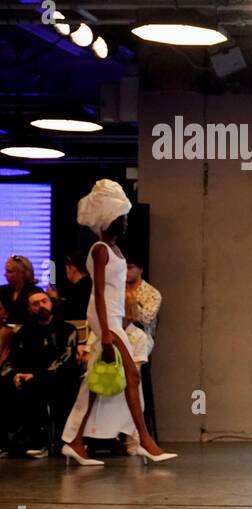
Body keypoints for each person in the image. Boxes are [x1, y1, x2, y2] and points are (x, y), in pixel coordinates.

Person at [61, 180, 176, 465]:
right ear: (111, 218)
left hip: (112, 318)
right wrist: (108, 335)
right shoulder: (100, 249)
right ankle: (144, 441)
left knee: (96, 382)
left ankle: (75, 441)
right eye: (122, 217)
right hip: (106, 319)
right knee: (131, 377)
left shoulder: (113, 248)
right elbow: (99, 293)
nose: (126, 222)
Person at [0, 290, 79, 457]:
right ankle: (11, 444)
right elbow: (11, 361)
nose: (41, 306)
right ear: (29, 309)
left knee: (38, 385)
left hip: (60, 378)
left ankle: (38, 441)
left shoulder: (67, 329)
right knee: (8, 385)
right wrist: (14, 374)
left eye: (44, 301)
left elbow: (64, 360)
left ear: (51, 303)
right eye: (35, 304)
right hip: (27, 378)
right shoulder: (23, 333)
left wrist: (37, 376)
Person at [124, 256, 162, 340]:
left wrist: (129, 301)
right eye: (123, 267)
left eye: (129, 268)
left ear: (141, 269)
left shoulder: (152, 293)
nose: (125, 271)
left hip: (142, 337)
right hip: (118, 333)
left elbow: (146, 319)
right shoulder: (118, 289)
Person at [1, 255, 41, 327]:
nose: (4, 274)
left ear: (22, 273)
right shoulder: (2, 291)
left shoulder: (36, 293)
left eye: (9, 271)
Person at [54, 249, 91, 324]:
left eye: (67, 267)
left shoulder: (78, 290)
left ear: (73, 268)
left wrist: (55, 300)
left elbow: (69, 312)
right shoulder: (90, 284)